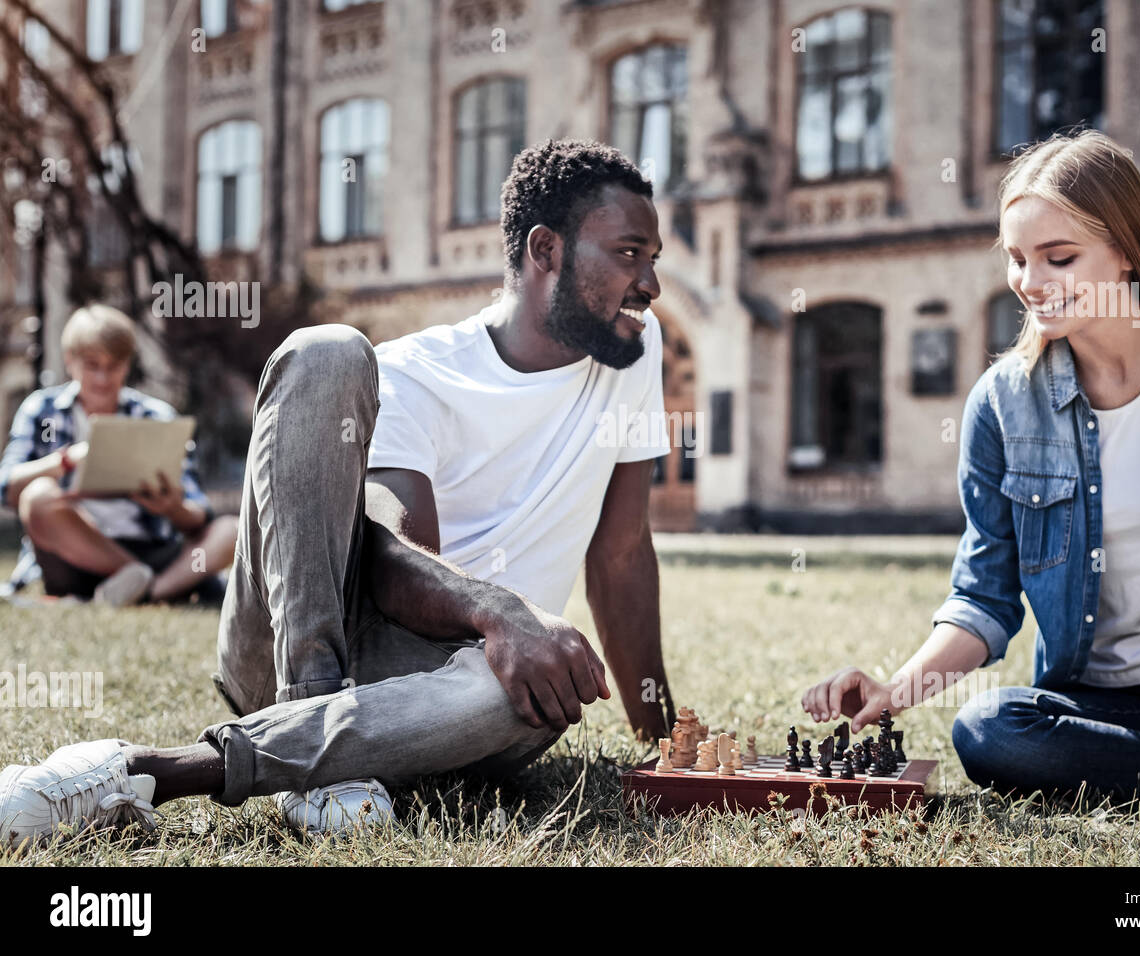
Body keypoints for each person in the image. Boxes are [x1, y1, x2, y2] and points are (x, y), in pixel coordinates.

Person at [0, 140, 677, 847]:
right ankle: (310, 711)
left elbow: (624, 554)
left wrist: (665, 741)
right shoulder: (417, 374)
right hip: (309, 645)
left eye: (653, 257)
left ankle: (156, 771)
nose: (650, 282)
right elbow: (382, 558)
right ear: (547, 251)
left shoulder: (633, 345)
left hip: (455, 696)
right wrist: (499, 610)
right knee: (325, 352)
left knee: (530, 693)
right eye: (630, 253)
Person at [801, 131, 1140, 851]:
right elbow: (985, 597)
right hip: (1112, 706)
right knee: (990, 729)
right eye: (1016, 258)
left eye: (1058, 257)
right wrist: (893, 692)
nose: (1030, 281)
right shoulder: (1005, 405)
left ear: (1127, 249)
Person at [0, 304, 237, 606]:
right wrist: (65, 461)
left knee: (231, 531)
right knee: (36, 496)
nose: (102, 378)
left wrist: (174, 508)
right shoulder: (42, 411)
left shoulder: (156, 416)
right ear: (69, 361)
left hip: (152, 548)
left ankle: (147, 592)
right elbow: (6, 487)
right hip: (72, 555)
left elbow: (199, 517)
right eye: (92, 365)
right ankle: (141, 581)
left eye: (113, 366)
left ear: (127, 365)